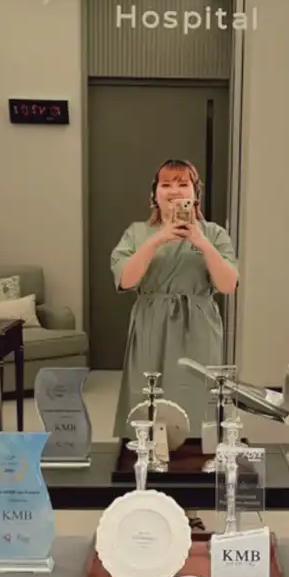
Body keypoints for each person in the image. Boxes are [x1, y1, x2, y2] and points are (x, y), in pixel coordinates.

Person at [111, 159, 238, 531]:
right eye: (166, 184)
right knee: (147, 407)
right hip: (152, 325)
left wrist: (200, 242)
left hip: (198, 328)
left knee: (196, 410)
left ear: (196, 194)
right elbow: (126, 280)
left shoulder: (214, 234)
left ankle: (190, 509)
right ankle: (146, 505)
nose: (174, 191)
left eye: (183, 184)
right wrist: (158, 239)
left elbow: (228, 284)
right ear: (154, 194)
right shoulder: (137, 233)